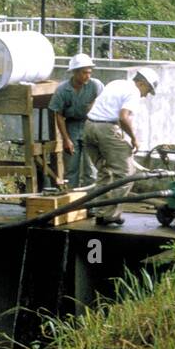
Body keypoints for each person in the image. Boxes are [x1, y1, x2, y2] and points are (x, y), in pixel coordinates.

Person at [82, 67, 159, 226]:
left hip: (89, 126)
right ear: (142, 83)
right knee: (126, 174)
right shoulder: (134, 92)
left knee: (104, 172)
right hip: (107, 130)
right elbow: (123, 117)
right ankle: (111, 215)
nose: (145, 95)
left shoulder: (115, 83)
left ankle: (100, 212)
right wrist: (133, 138)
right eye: (148, 90)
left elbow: (93, 105)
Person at [48, 53, 104, 188]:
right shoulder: (62, 90)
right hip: (71, 127)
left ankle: (91, 204)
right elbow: (59, 115)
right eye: (84, 73)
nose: (88, 76)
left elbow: (105, 102)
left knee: (90, 169)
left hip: (90, 126)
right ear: (75, 72)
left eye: (90, 72)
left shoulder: (95, 85)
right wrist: (66, 139)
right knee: (71, 169)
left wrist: (94, 106)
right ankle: (71, 202)